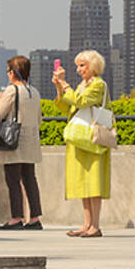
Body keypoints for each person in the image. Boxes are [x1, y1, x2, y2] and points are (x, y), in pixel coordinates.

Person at [53, 50, 111, 237]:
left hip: (92, 138)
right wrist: (59, 88)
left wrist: (64, 84)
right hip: (80, 138)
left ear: (93, 66)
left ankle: (95, 225)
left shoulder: (99, 85)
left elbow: (82, 102)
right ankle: (86, 224)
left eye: (82, 65)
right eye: (78, 65)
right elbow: (67, 107)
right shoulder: (81, 85)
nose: (79, 70)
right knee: (83, 183)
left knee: (94, 183)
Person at [0, 55, 44, 230]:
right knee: (30, 179)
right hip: (31, 140)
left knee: (13, 180)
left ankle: (16, 218)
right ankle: (35, 218)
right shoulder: (34, 92)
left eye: (9, 71)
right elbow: (39, 119)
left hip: (13, 141)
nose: (8, 75)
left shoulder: (11, 91)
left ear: (14, 73)